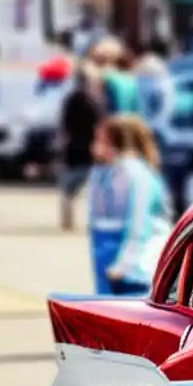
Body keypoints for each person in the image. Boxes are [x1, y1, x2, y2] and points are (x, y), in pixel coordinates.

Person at [86, 116, 171, 296]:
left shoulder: (136, 173)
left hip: (134, 263)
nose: (93, 147)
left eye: (100, 140)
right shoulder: (106, 170)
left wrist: (125, 263)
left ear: (116, 143)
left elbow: (140, 221)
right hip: (107, 250)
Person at [59, 64, 106, 231]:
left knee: (68, 190)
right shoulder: (94, 102)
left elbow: (64, 126)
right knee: (94, 188)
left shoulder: (70, 100)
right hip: (89, 149)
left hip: (72, 149)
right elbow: (99, 126)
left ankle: (67, 221)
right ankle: (93, 219)